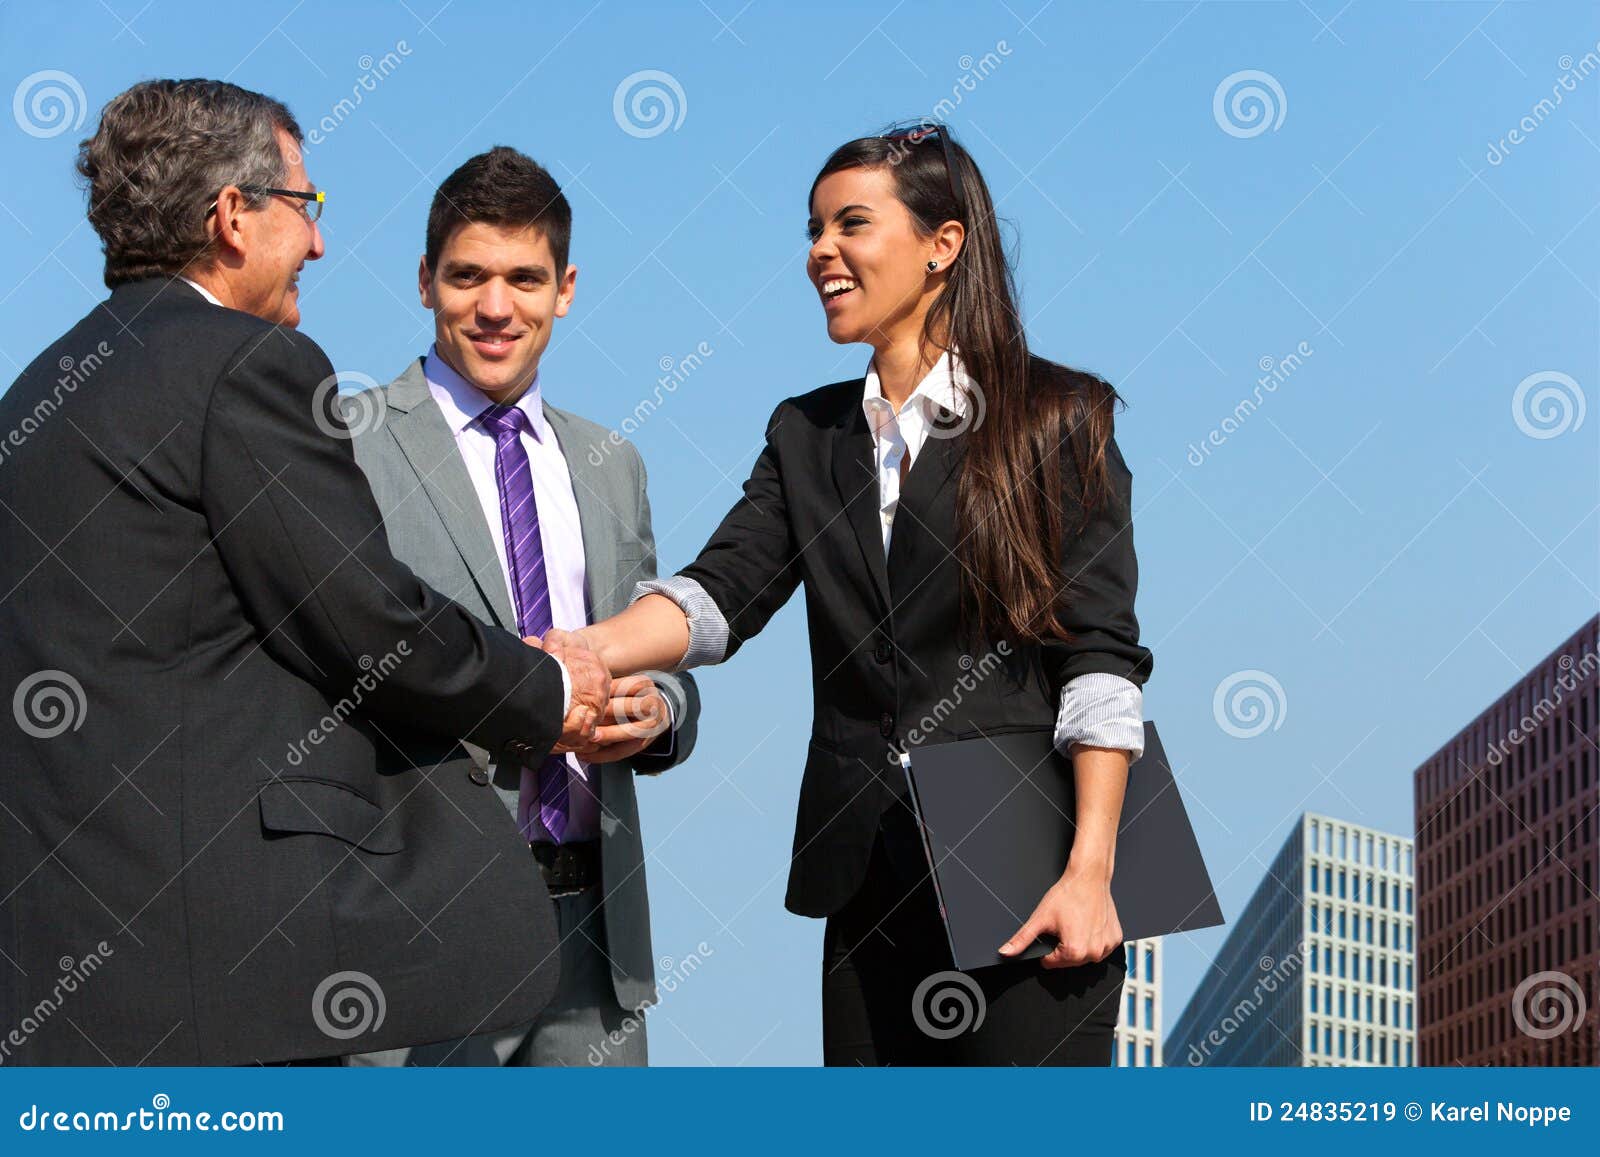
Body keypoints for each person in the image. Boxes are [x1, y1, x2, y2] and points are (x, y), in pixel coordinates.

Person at [0, 80, 606, 1065]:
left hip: (64, 975)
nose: (318, 244)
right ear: (232, 216)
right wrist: (549, 689)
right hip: (232, 975)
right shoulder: (243, 365)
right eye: (304, 204)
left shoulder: (37, 393)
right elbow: (365, 619)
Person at [549, 123, 1154, 1065]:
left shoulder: (1059, 415)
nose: (820, 251)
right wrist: (576, 653)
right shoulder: (806, 433)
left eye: (851, 224)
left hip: (1030, 867)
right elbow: (718, 595)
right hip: (863, 874)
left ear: (942, 245)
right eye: (813, 229)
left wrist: (1091, 871)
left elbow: (1101, 661)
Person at [342, 147, 700, 1068]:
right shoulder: (347, 444)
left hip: (596, 938)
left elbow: (656, 653)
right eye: (468, 276)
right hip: (420, 932)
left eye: (524, 279)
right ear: (425, 280)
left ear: (565, 289)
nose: (496, 307)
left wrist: (660, 712)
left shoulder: (611, 463)